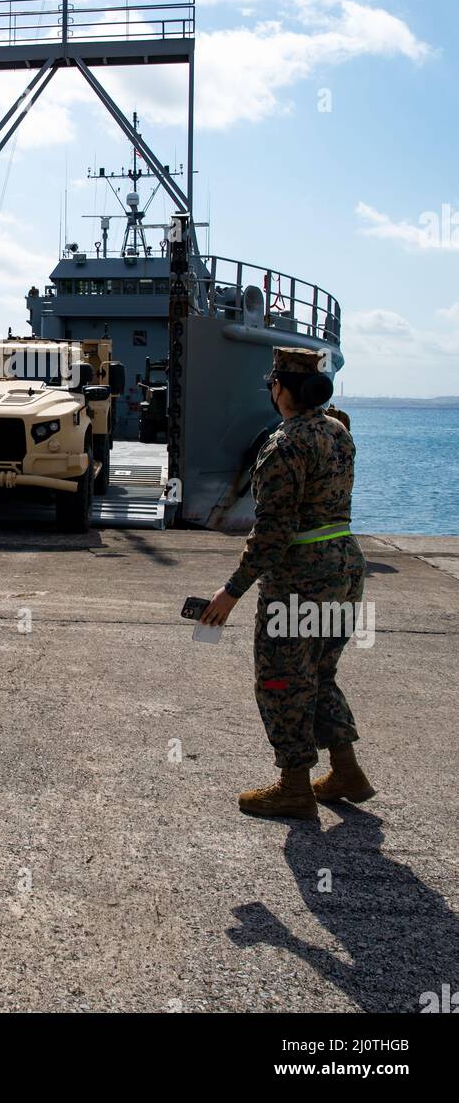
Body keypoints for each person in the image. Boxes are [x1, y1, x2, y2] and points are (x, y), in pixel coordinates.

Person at [201, 347, 374, 820]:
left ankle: (294, 786)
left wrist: (231, 590)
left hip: (302, 577)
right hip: (344, 567)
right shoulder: (338, 431)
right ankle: (346, 771)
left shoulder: (283, 446)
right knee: (319, 673)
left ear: (280, 388)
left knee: (281, 681)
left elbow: (273, 532)